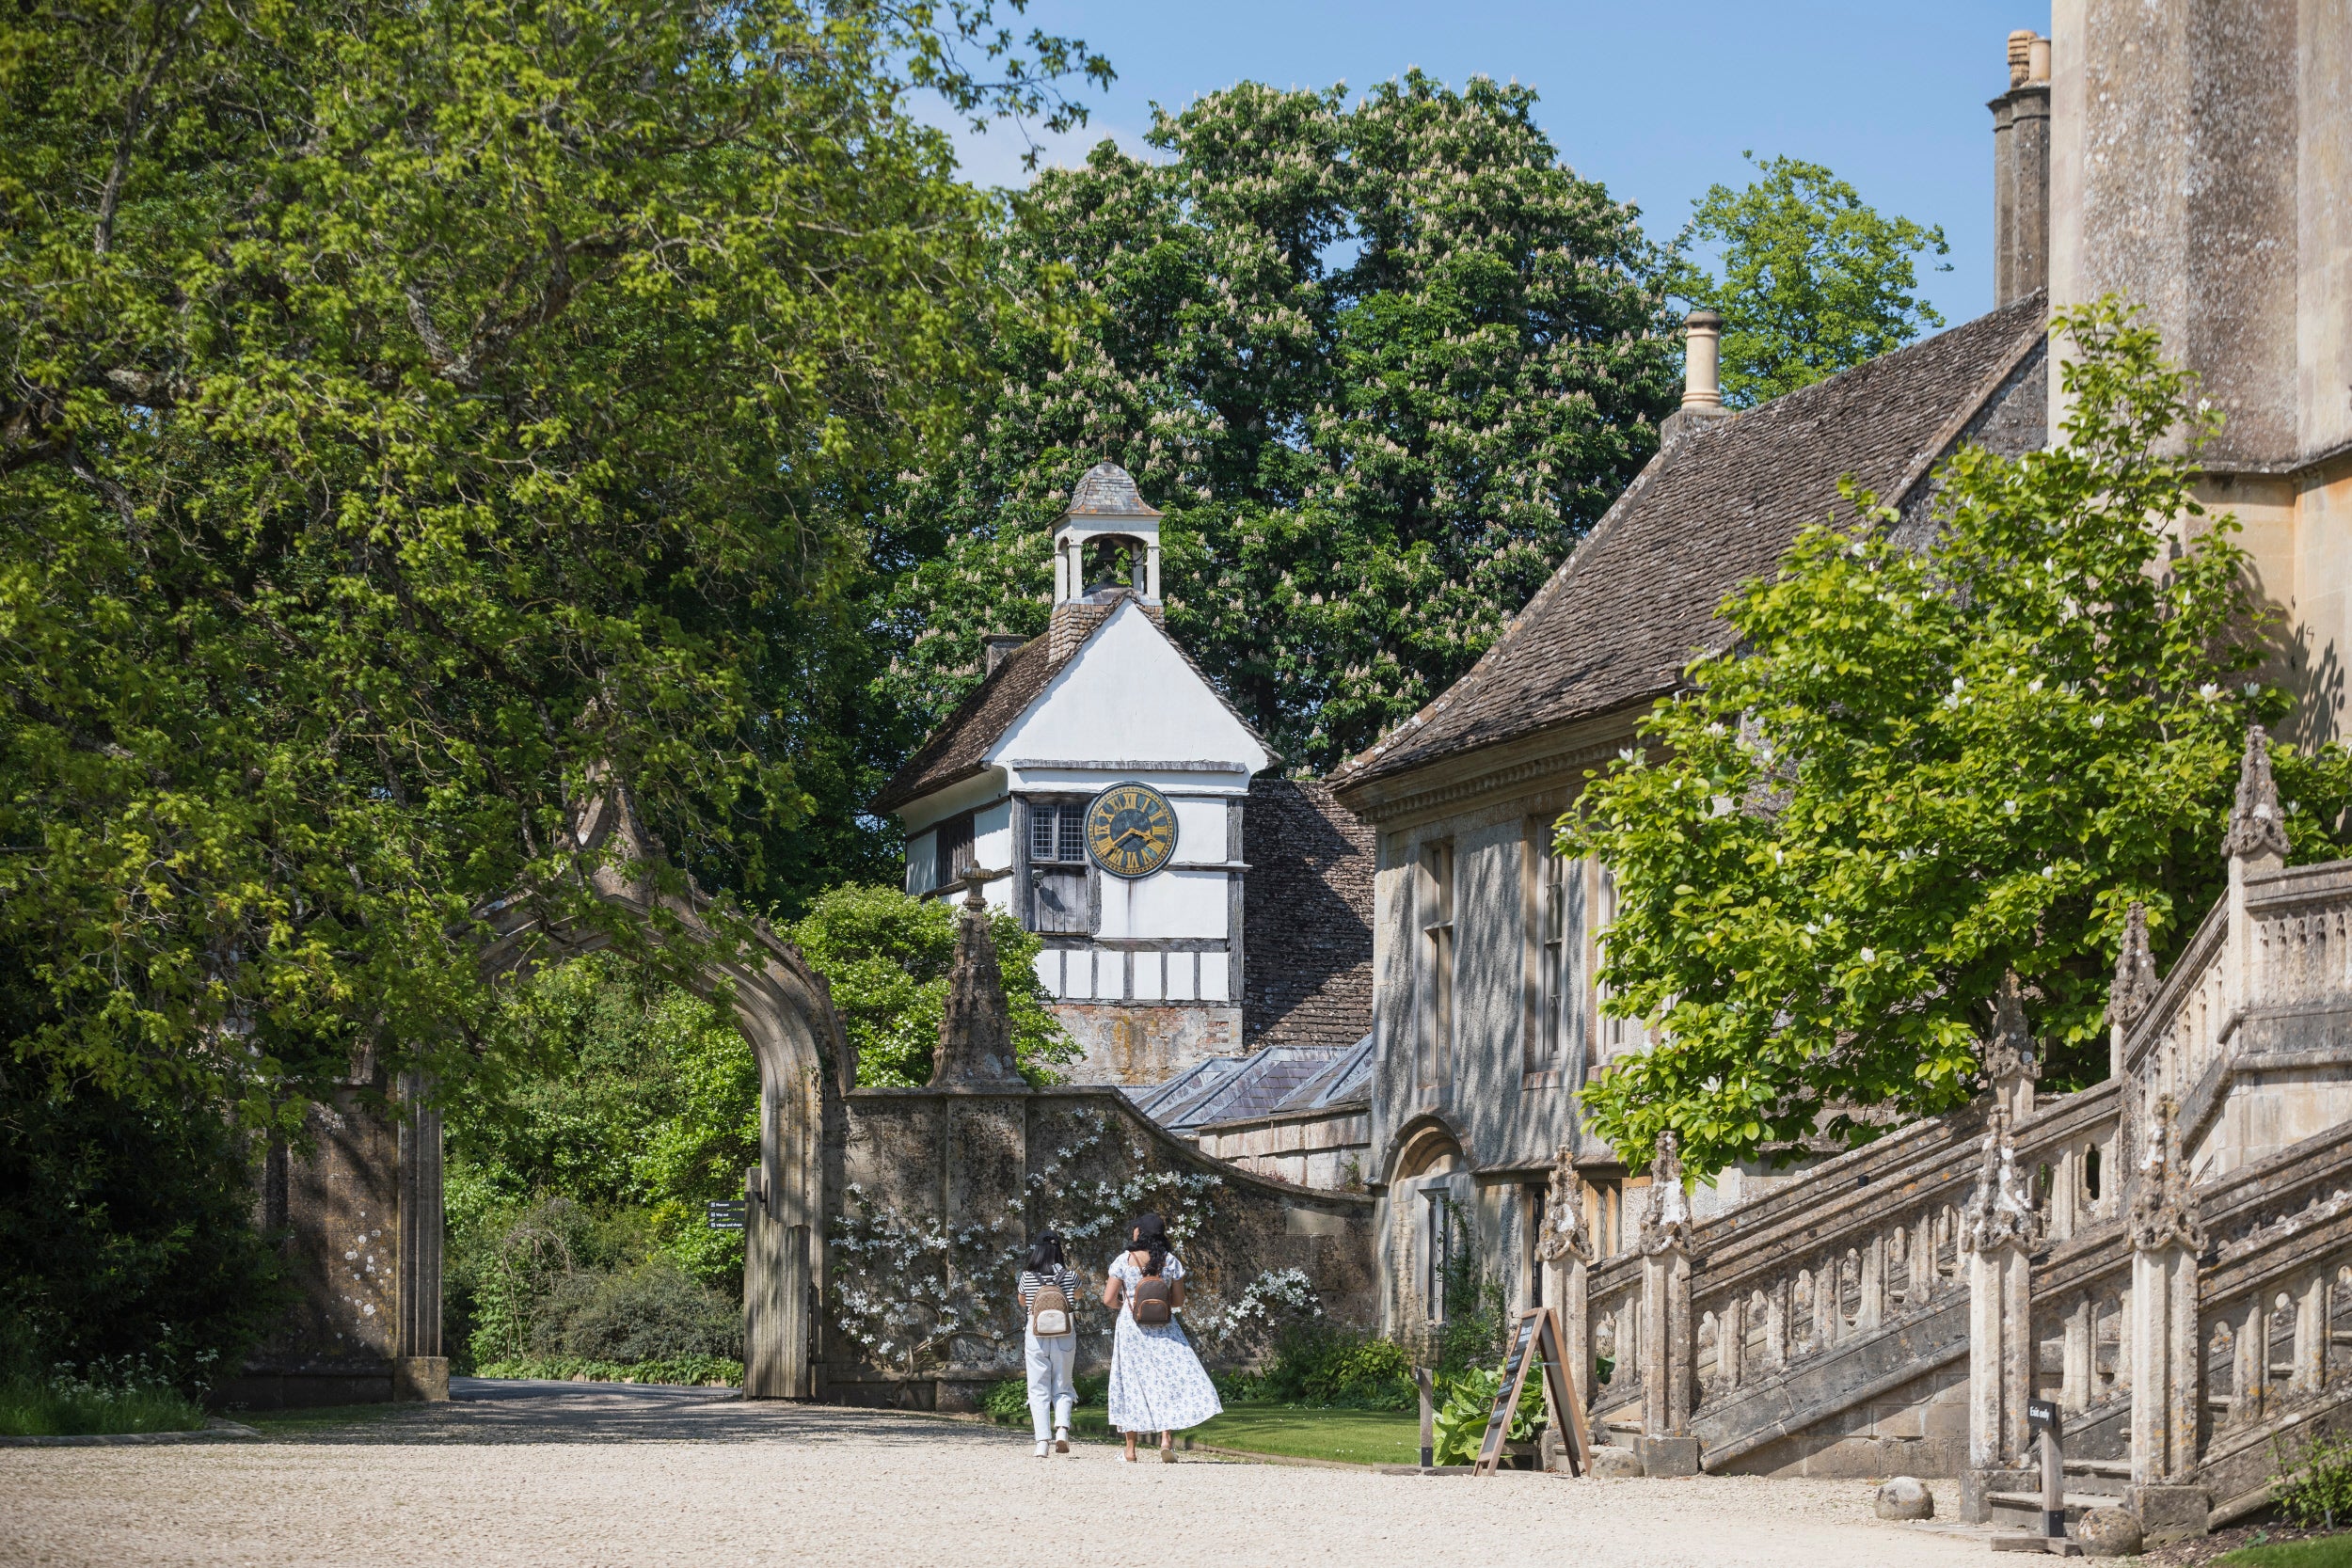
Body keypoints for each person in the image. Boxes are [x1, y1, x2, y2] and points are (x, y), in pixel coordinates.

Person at [1100, 1212, 1221, 1462]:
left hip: (1132, 1328)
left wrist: (1128, 1304)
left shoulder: (1124, 1260)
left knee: (1130, 1384)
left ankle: (1130, 1450)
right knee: (1167, 1380)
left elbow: (1108, 1299)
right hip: (1164, 1327)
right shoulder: (1171, 1261)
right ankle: (1166, 1440)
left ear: (1139, 1233)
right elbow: (1178, 1301)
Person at [1016, 1230, 1082, 1457]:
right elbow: (1078, 1296)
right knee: (1063, 1384)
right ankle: (1062, 1430)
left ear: (1037, 1250)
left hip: (1036, 1333)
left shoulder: (1027, 1276)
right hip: (1064, 1332)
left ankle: (1042, 1441)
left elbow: (1023, 1301)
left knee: (1038, 1387)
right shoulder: (1071, 1275)